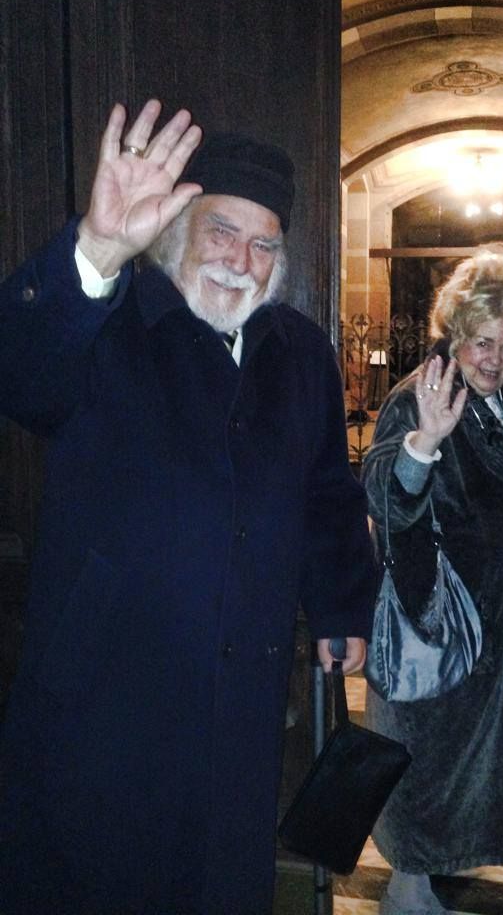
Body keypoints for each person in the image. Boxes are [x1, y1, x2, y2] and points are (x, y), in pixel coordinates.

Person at [0, 99, 375, 915]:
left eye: (264, 244)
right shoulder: (107, 323)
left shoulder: (302, 353)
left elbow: (327, 493)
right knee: (100, 877)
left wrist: (342, 604)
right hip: (107, 687)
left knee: (218, 876)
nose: (242, 260)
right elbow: (19, 374)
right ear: (177, 233)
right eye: (222, 232)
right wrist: (96, 249)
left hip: (243, 690)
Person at [361, 252, 503, 915]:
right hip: (444, 631)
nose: (496, 360)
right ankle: (407, 892)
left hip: (493, 636)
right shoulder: (423, 396)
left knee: (467, 773)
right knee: (430, 767)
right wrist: (421, 446)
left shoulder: (493, 402)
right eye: (483, 342)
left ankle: (430, 882)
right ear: (457, 333)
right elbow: (387, 495)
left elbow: (479, 493)